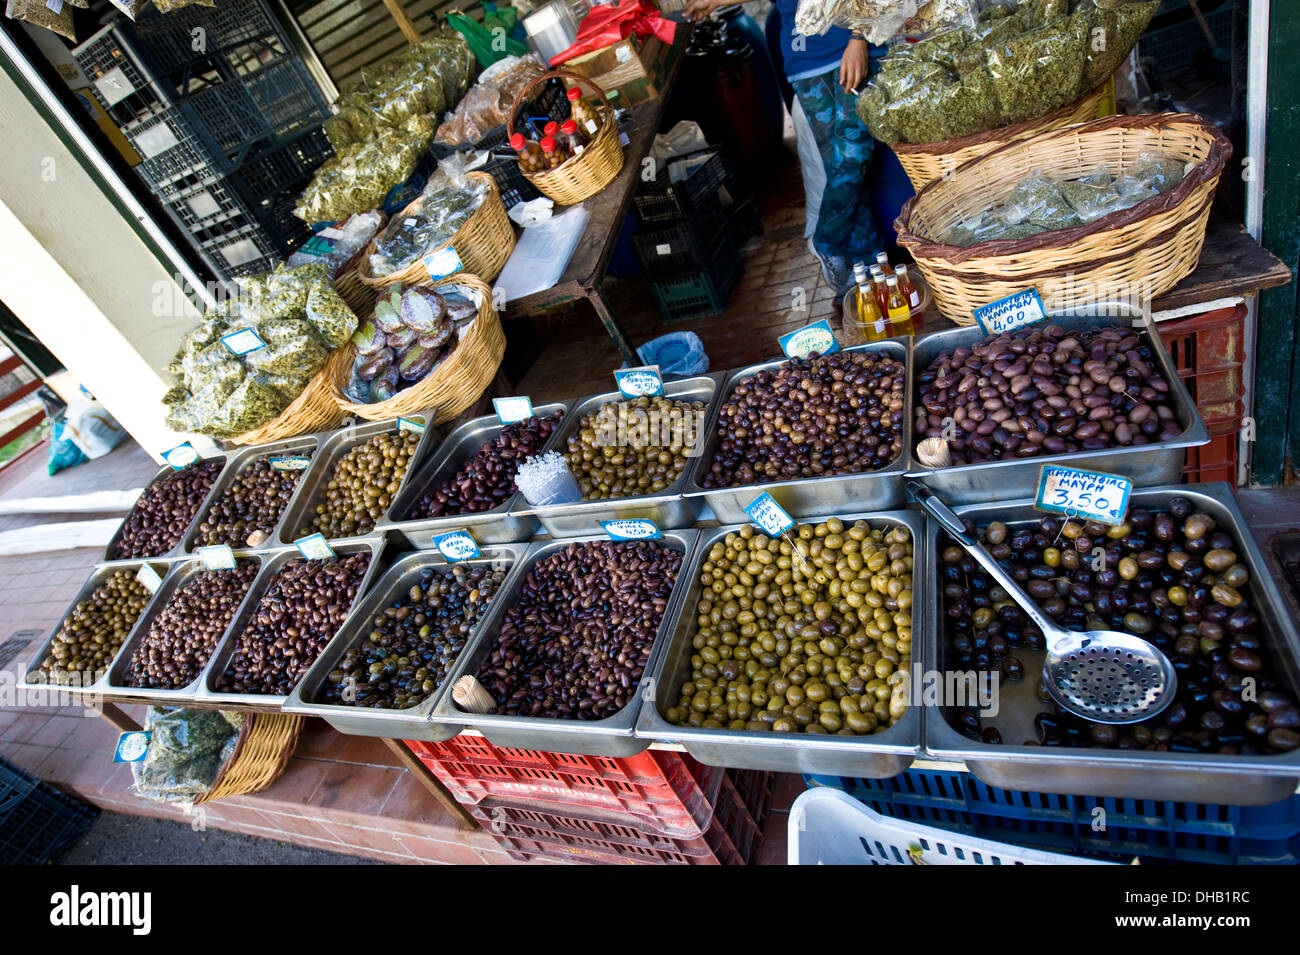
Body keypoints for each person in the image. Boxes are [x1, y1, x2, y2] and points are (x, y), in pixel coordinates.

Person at [686, 0, 881, 299]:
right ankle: (865, 277)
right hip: (804, 61)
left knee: (855, 158)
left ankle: (827, 240)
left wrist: (858, 37)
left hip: (852, 46)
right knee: (841, 170)